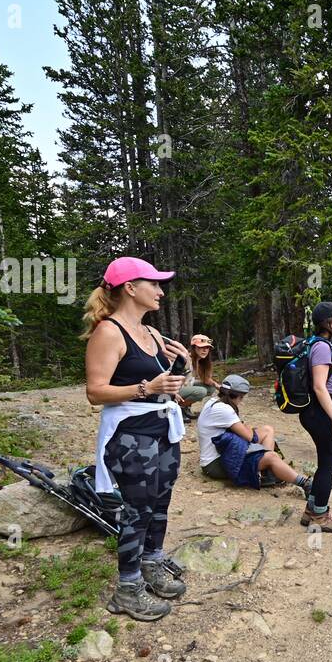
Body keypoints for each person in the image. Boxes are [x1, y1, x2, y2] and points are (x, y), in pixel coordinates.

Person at [83, 256, 190, 622]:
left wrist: (183, 365)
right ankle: (127, 589)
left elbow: (168, 383)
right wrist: (145, 388)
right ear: (130, 288)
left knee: (160, 503)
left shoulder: (152, 333)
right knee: (137, 510)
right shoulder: (109, 332)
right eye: (154, 284)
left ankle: (152, 563)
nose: (161, 291)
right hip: (130, 437)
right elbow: (95, 392)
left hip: (162, 431)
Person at [198, 374, 311, 494]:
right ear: (238, 396)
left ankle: (267, 472)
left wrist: (246, 428)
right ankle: (305, 483)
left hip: (225, 451)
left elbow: (243, 429)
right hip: (215, 464)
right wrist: (246, 428)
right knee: (272, 457)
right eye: (242, 398)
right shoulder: (224, 410)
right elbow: (250, 437)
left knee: (267, 430)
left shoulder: (214, 401)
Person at [299, 301, 332, 532]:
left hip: (322, 412)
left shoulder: (326, 345)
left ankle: (311, 510)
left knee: (325, 462)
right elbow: (320, 387)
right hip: (322, 413)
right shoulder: (321, 347)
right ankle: (320, 515)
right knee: (329, 463)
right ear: (326, 322)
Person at [177, 334, 217, 420]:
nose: (205, 350)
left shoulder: (201, 362)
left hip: (185, 387)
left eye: (207, 348)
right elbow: (171, 377)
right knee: (201, 391)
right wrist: (174, 393)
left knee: (211, 388)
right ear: (194, 348)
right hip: (174, 391)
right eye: (202, 347)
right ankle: (179, 408)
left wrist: (219, 387)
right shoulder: (185, 360)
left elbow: (207, 380)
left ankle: (186, 407)